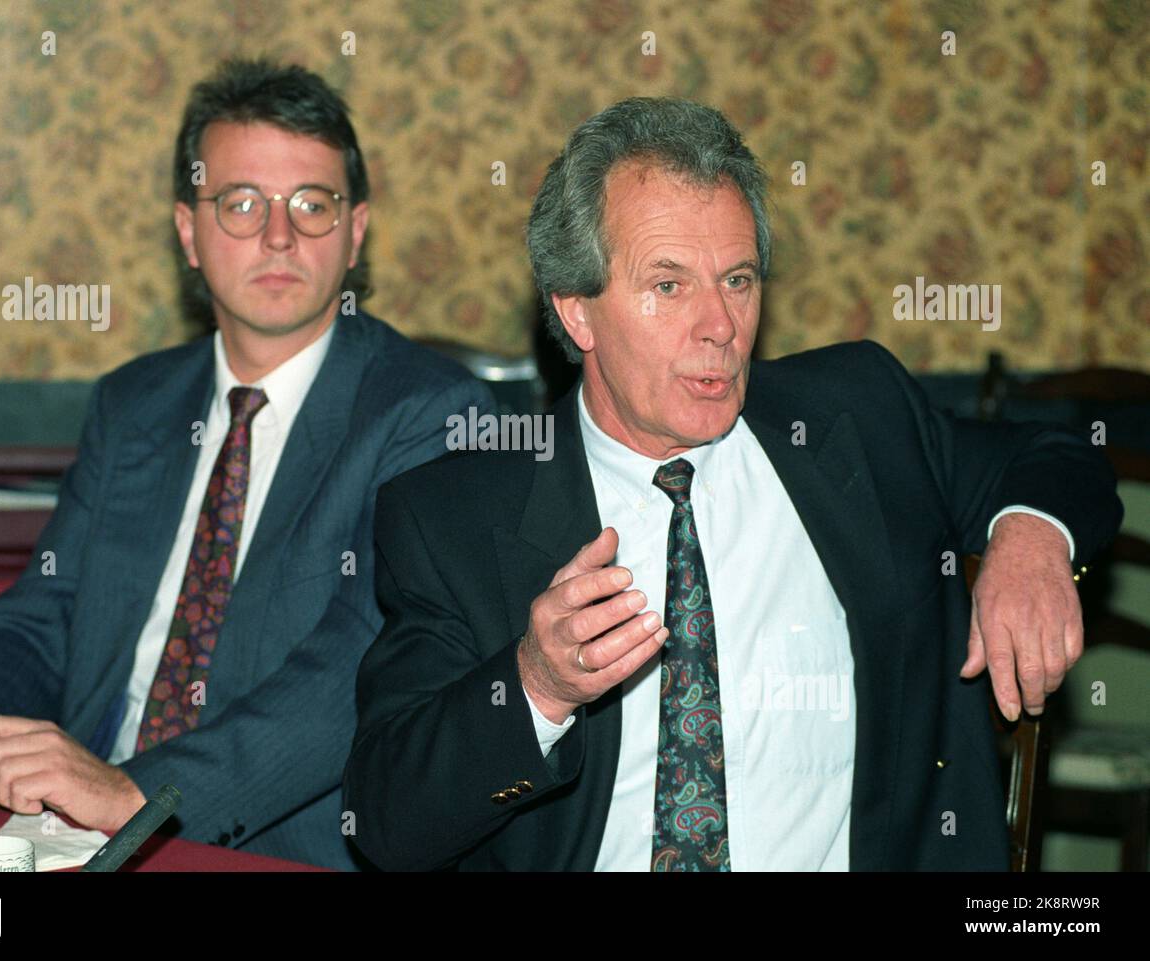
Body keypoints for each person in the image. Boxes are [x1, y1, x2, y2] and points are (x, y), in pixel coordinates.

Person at [342, 96, 1124, 871]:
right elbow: (384, 822)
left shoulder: (858, 418)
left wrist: (1029, 536)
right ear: (577, 311)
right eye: (670, 285)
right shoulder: (453, 519)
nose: (721, 325)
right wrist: (536, 683)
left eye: (739, 279)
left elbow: (1060, 455)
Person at [0, 59, 492, 871]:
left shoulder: (431, 414)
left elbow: (357, 668)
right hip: (61, 831)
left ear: (357, 230)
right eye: (242, 203)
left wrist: (137, 796)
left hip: (268, 848)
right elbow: (40, 616)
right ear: (188, 231)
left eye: (312, 204)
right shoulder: (136, 402)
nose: (279, 235)